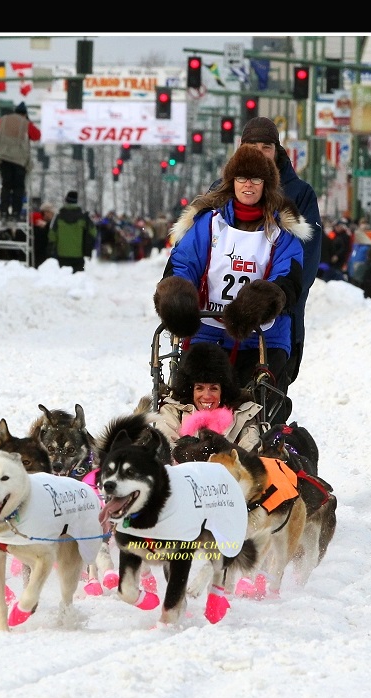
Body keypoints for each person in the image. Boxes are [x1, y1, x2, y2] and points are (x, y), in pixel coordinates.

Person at [154, 144, 312, 425]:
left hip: (263, 337)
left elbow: (288, 278)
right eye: (241, 178)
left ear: (267, 184)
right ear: (232, 182)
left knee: (252, 407)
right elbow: (184, 263)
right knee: (193, 398)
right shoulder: (208, 224)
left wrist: (262, 300)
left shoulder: (281, 232)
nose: (248, 185)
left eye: (256, 179)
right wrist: (177, 296)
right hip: (207, 330)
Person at [211, 117, 322, 386]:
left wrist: (277, 298)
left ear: (277, 150)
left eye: (266, 147)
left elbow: (303, 261)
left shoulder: (299, 194)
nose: (259, 154)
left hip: (275, 320)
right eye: (252, 146)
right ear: (240, 148)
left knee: (266, 397)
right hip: (216, 319)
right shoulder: (221, 190)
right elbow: (200, 245)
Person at [154, 341, 263, 452]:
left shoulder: (242, 415)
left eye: (214, 388)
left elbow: (251, 455)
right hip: (183, 468)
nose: (206, 396)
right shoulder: (173, 411)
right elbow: (164, 450)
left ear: (223, 391)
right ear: (190, 390)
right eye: (199, 388)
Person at [0, 102, 41, 223]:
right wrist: (28, 123)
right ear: (25, 114)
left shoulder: (3, 120)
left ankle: (3, 212)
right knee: (18, 188)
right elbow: (36, 136)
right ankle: (15, 213)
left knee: (6, 186)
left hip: (4, 158)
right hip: (19, 161)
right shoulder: (26, 124)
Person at [47, 191, 97, 273]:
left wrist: (52, 250)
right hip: (78, 255)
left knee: (63, 279)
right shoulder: (83, 218)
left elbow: (52, 235)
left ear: (66, 200)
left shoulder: (58, 217)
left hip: (61, 255)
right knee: (77, 280)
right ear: (76, 201)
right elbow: (93, 232)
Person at [31, 202, 55, 268]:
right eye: (51, 213)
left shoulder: (46, 224)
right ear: (46, 212)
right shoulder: (38, 221)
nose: (52, 215)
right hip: (38, 255)